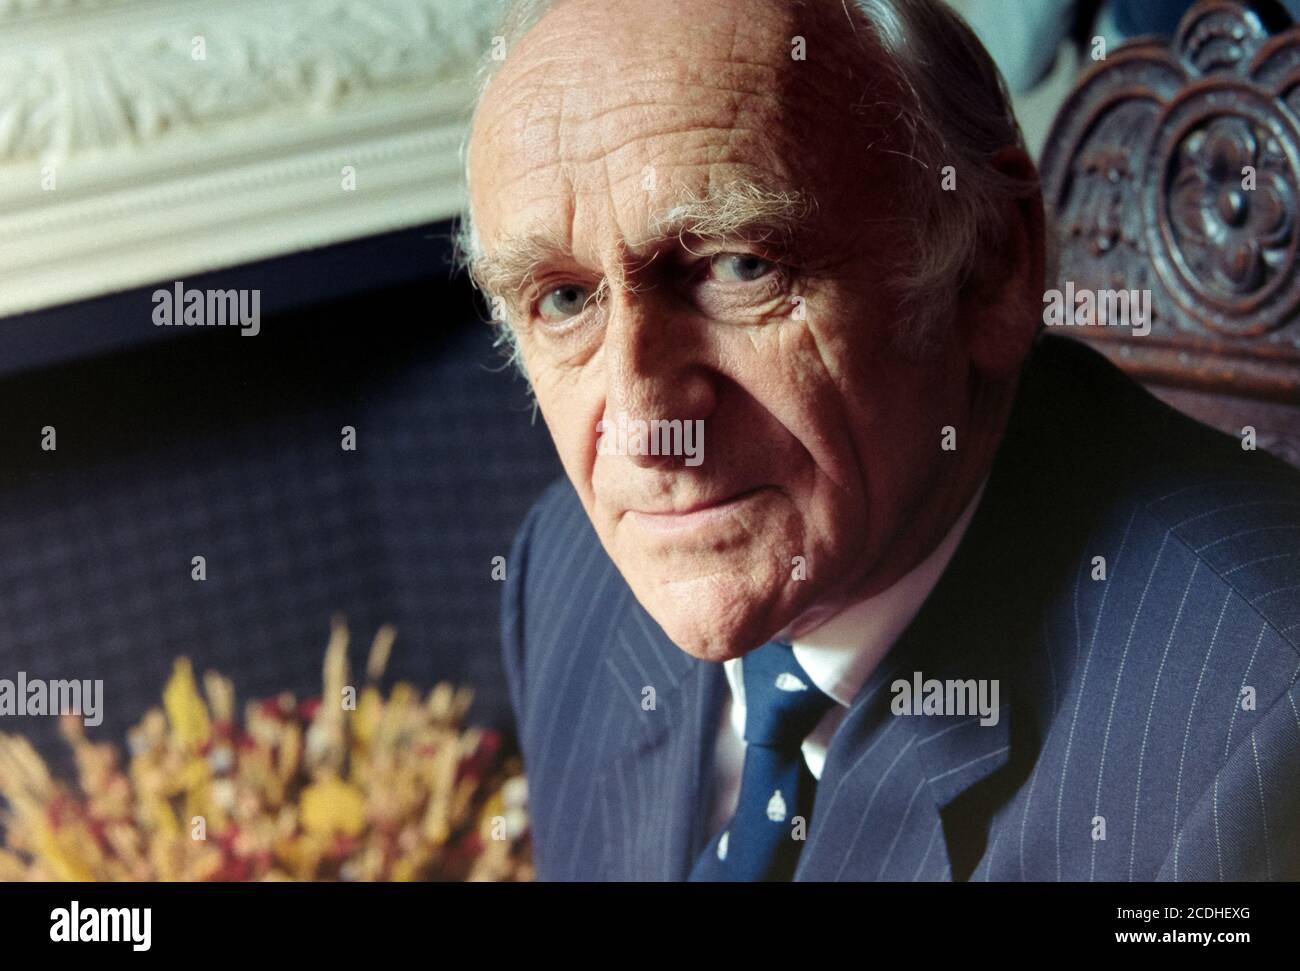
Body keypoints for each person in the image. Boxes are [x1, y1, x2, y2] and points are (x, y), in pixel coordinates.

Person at [457, 0, 1300, 880]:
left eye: (738, 265)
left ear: (991, 266)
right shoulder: (563, 571)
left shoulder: (1260, 736)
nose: (641, 426)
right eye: (561, 298)